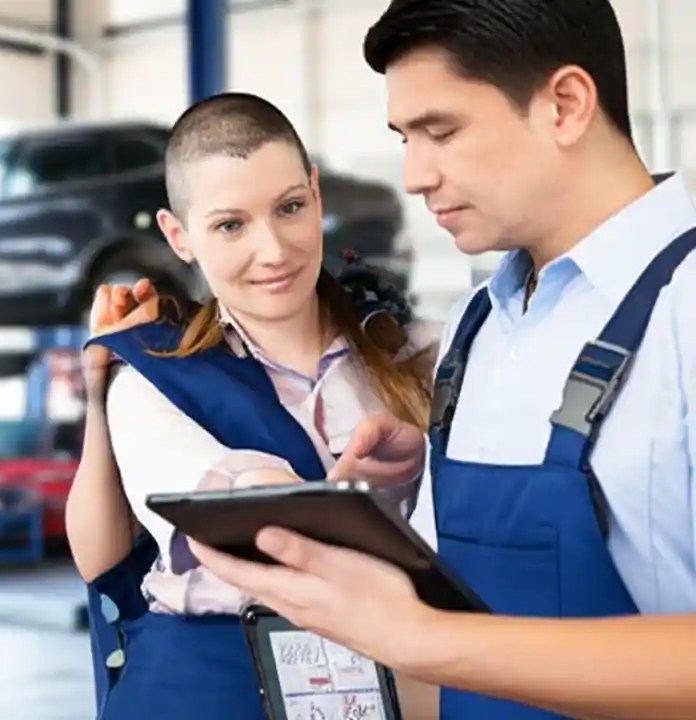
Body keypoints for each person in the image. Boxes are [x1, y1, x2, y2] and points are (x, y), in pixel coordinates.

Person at [186, 2, 696, 719]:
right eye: (403, 138)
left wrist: (425, 639)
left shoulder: (685, 309)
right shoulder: (475, 329)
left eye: (441, 132)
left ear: (567, 105)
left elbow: (430, 637)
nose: (414, 175)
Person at [64, 91, 440, 720]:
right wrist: (338, 507)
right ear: (178, 236)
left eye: (290, 208)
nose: (274, 250)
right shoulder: (156, 379)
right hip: (198, 686)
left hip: (379, 683)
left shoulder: (421, 358)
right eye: (230, 225)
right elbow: (242, 509)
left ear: (317, 194)